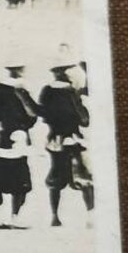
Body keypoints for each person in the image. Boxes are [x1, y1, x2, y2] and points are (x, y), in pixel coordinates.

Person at [37, 55, 94, 226]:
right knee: (82, 176)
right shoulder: (71, 92)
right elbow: (84, 120)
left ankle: (55, 216)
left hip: (56, 139)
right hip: (73, 138)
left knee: (56, 178)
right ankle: (90, 216)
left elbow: (44, 114)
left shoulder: (47, 91)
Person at [0, 62, 40, 227]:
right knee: (20, 179)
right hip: (16, 136)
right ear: (20, 70)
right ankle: (15, 217)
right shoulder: (21, 90)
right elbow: (32, 114)